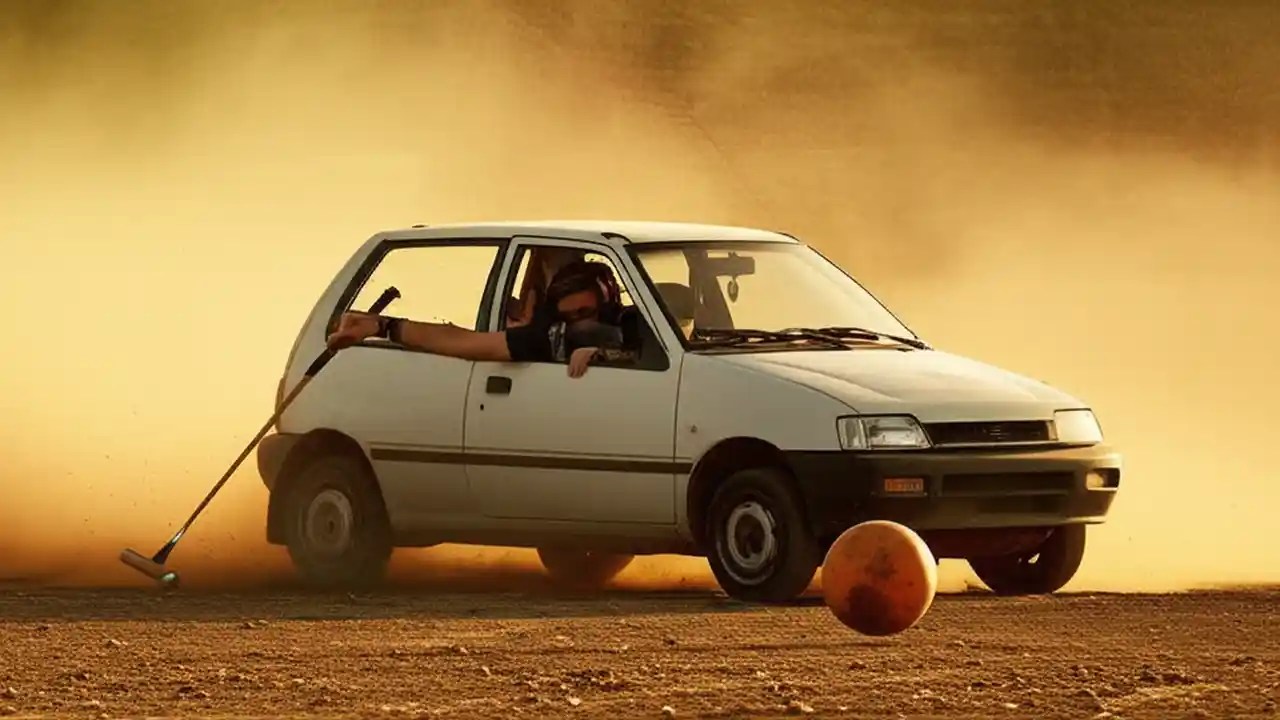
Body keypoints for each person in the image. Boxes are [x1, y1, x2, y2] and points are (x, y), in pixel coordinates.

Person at [328, 260, 638, 378]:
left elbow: (655, 358)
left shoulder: (639, 323)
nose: (579, 324)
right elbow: (466, 342)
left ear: (608, 299)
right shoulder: (552, 338)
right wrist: (383, 326)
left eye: (585, 313)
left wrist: (601, 354)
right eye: (569, 317)